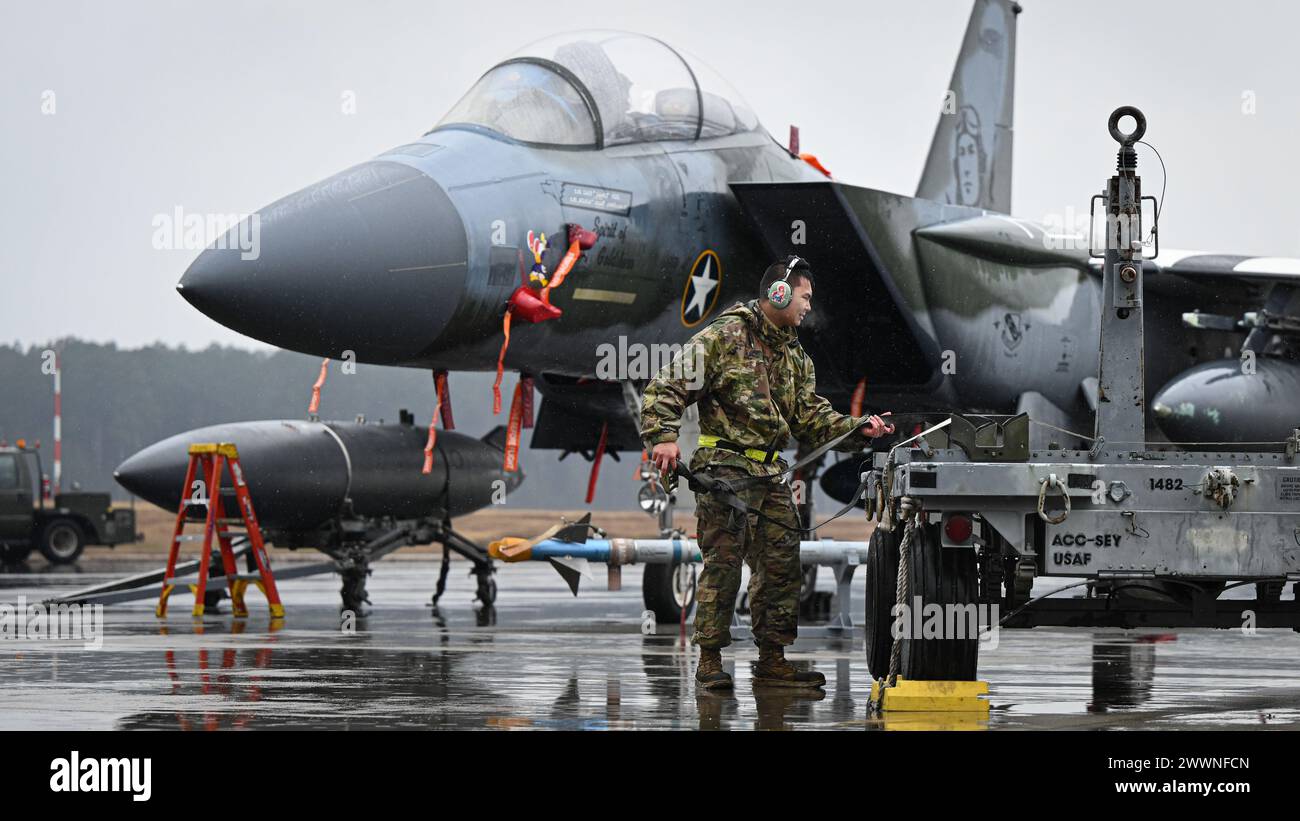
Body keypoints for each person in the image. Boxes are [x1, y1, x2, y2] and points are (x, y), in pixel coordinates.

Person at [640, 255, 894, 689]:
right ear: (779, 291)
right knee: (723, 567)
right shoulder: (723, 337)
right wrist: (663, 436)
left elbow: (811, 418)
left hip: (771, 475)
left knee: (781, 567)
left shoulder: (795, 356)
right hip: (725, 471)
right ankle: (709, 661)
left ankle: (772, 660)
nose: (809, 306)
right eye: (804, 296)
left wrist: (859, 429)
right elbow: (666, 386)